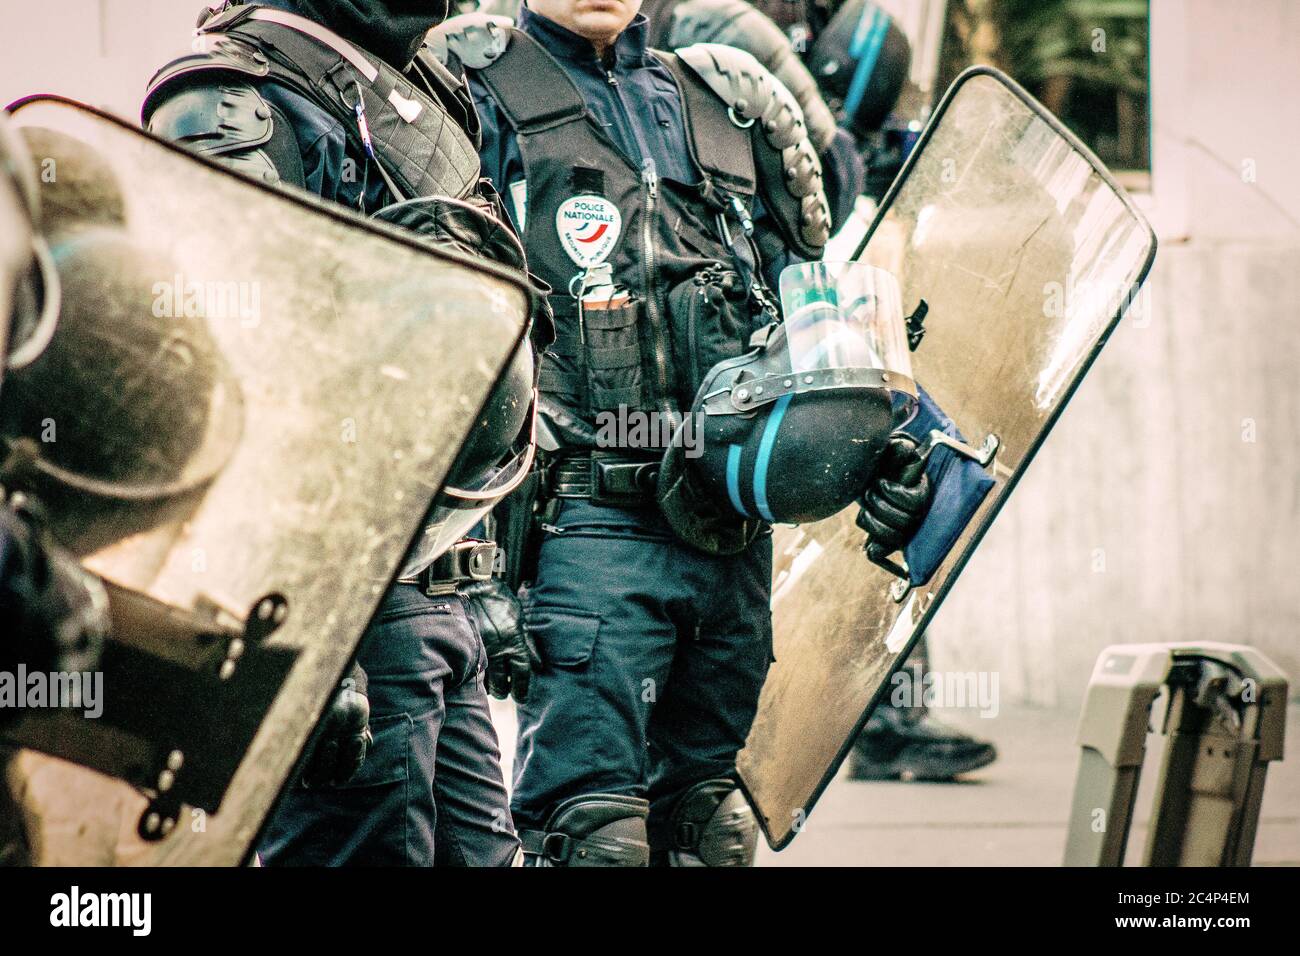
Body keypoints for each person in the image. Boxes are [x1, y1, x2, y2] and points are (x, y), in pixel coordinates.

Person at [434, 0, 930, 865]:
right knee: (594, 839)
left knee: (711, 829)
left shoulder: (730, 102)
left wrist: (875, 451)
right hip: (587, 522)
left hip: (730, 535)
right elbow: (430, 335)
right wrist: (466, 559)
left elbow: (805, 325)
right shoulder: (468, 90)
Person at [141, 0, 541, 866]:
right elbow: (217, 398)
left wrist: (497, 578)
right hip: (342, 604)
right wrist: (302, 647)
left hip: (445, 590)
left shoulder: (429, 95)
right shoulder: (236, 102)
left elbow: (487, 360)